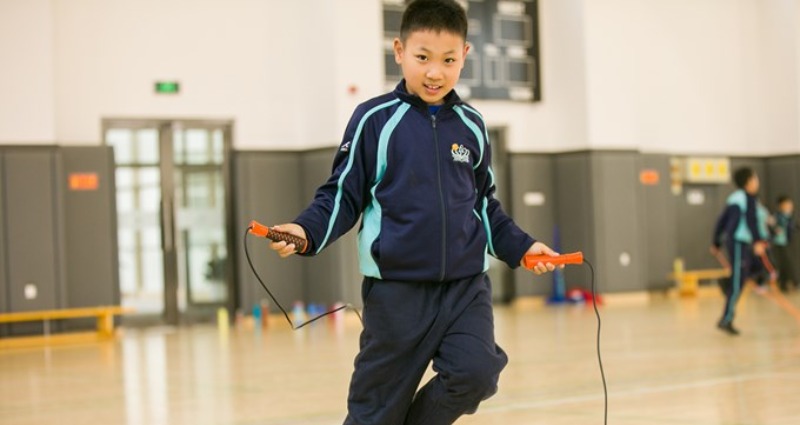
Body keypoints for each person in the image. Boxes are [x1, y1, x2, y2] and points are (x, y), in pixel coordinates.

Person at [266, 1, 559, 423]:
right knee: (375, 413)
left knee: (476, 373)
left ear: (465, 56)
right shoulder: (374, 120)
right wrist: (305, 230)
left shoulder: (472, 125)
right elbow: (341, 194)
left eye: (448, 60)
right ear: (400, 51)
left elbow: (484, 206)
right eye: (423, 58)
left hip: (465, 289)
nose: (435, 72)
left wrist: (523, 247)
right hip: (396, 295)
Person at [711, 167, 768, 336]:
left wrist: (716, 241)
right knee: (737, 283)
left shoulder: (739, 198)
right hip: (737, 243)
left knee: (743, 276)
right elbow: (750, 222)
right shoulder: (744, 199)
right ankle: (726, 319)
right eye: (755, 178)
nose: (757, 182)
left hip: (741, 243)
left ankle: (727, 283)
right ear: (749, 181)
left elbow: (721, 220)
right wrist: (757, 242)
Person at [772, 195, 797, 292]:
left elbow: (793, 226)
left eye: (790, 204)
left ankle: (788, 282)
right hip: (778, 243)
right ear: (781, 206)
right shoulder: (777, 216)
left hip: (786, 243)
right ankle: (786, 282)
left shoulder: (789, 217)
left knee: (786, 263)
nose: (789, 206)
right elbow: (773, 227)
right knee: (784, 264)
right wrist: (775, 229)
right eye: (786, 204)